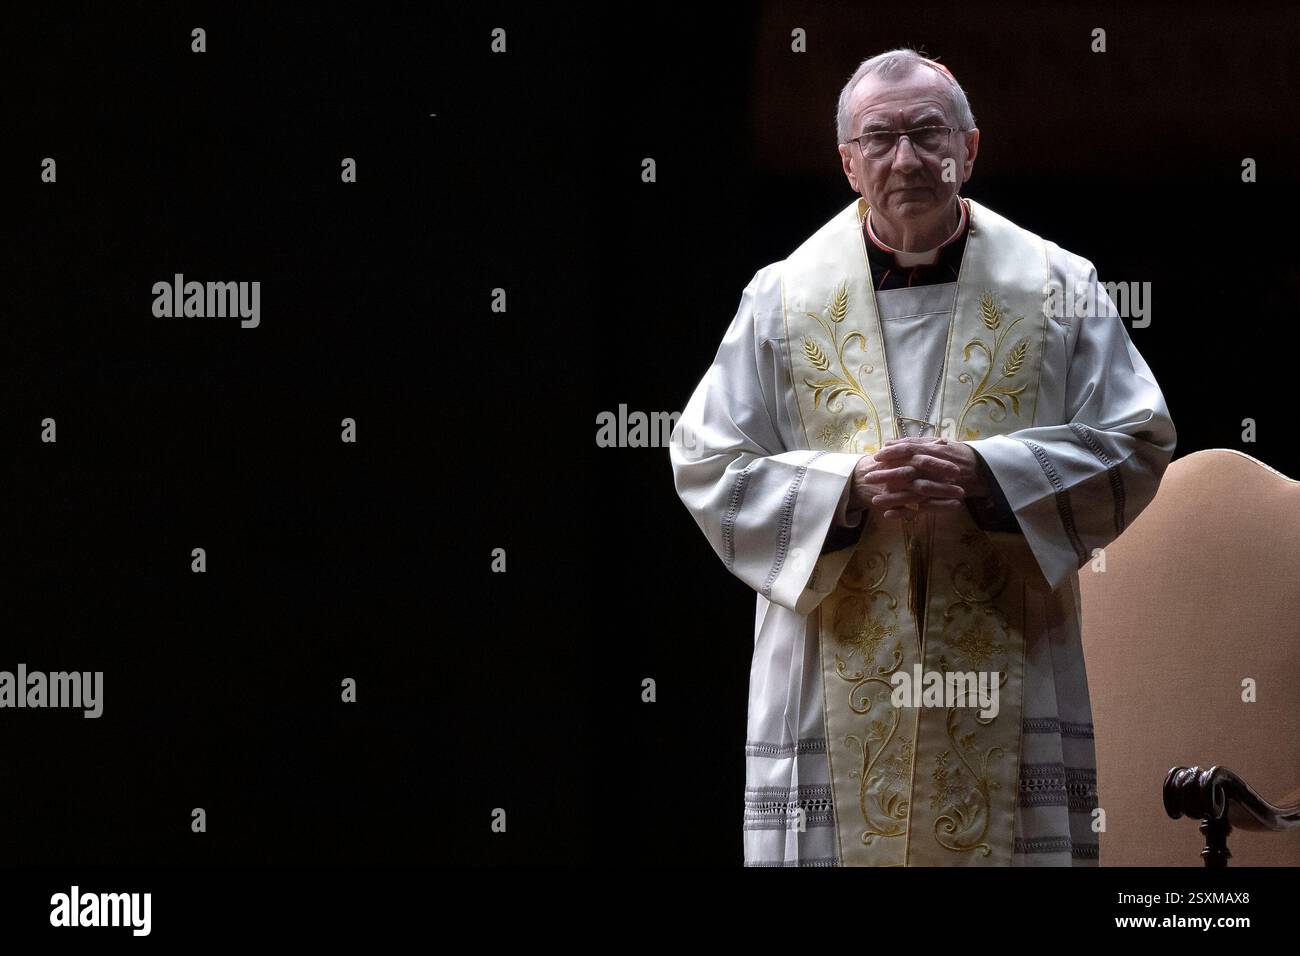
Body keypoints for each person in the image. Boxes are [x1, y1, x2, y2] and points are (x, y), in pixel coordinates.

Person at [668, 47, 1177, 866]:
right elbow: (705, 460)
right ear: (846, 162)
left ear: (968, 150)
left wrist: (993, 476)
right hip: (829, 660)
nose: (905, 158)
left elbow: (1137, 441)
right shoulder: (783, 297)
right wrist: (844, 488)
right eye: (880, 138)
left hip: (1007, 647)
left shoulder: (1058, 285)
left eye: (927, 133)